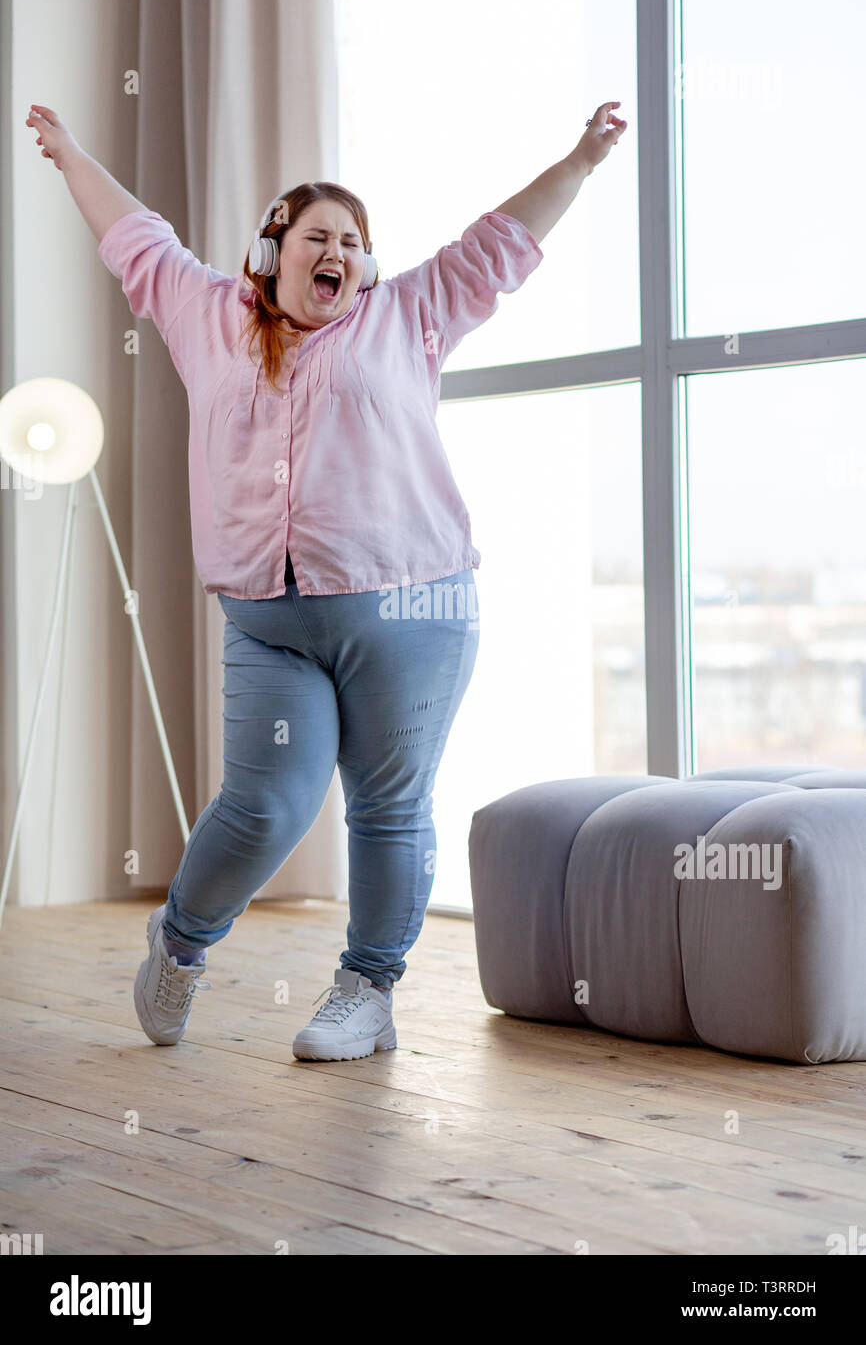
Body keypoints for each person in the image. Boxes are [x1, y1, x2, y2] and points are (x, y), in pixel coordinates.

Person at [26, 99, 627, 1062]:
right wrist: (68, 156)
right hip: (269, 619)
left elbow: (501, 241)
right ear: (273, 252)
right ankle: (179, 944)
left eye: (353, 240)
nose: (338, 251)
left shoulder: (408, 314)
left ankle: (369, 990)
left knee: (388, 807)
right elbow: (136, 235)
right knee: (263, 806)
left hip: (416, 606)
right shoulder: (204, 313)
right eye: (319, 235)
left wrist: (583, 158)